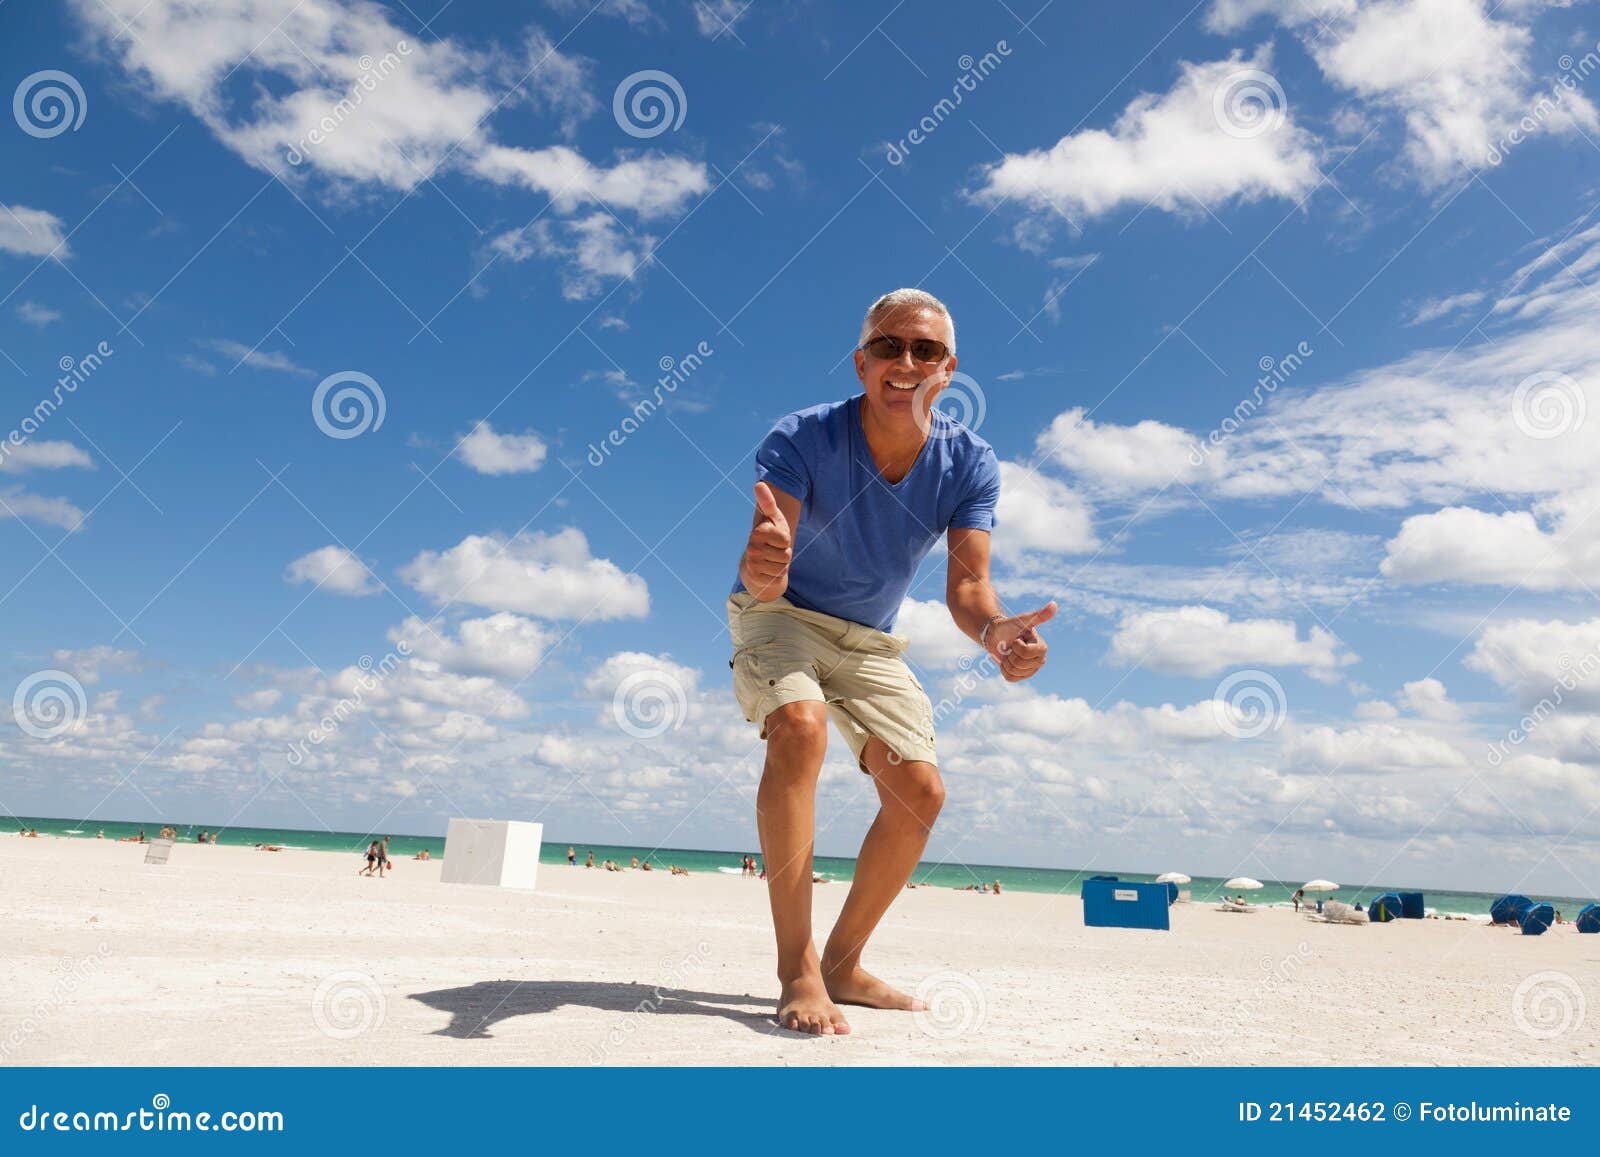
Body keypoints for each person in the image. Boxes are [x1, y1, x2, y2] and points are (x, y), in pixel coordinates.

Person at [727, 289, 1051, 1035]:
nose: (906, 362)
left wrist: (997, 631)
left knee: (919, 791)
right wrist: (763, 568)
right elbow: (768, 569)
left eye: (925, 350)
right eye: (888, 347)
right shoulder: (802, 436)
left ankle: (843, 964)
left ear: (948, 369)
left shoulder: (970, 463)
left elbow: (968, 587)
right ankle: (798, 969)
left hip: (868, 639)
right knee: (800, 727)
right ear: (861, 362)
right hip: (782, 615)